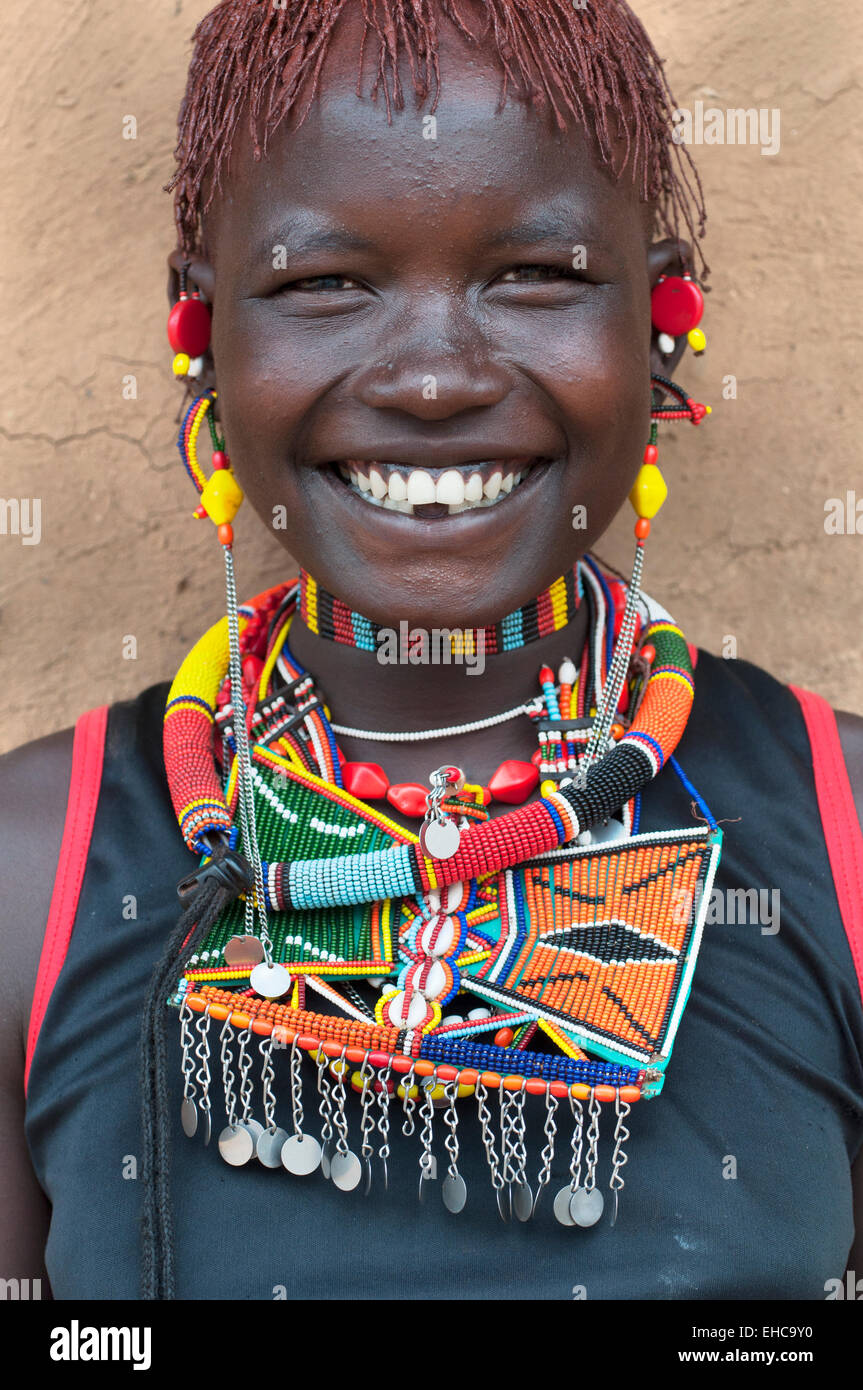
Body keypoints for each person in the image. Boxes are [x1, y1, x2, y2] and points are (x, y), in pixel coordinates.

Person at [2, 0, 862, 1302]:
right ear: (202, 335)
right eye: (322, 285)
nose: (433, 379)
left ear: (663, 313)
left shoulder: (849, 836)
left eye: (538, 276)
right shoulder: (30, 875)